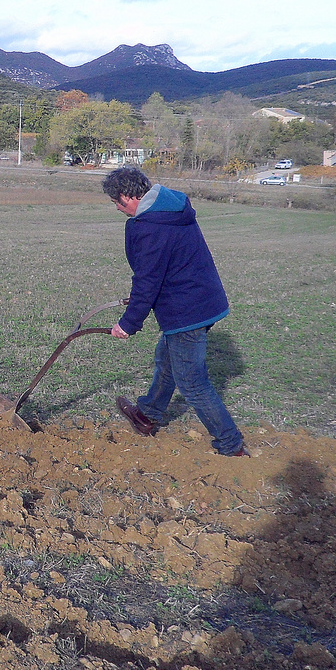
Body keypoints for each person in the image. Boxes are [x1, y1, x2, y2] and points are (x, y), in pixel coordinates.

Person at [102, 167, 247, 457]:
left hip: (187, 310)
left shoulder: (149, 225)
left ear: (128, 197)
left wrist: (128, 324)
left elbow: (148, 278)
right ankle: (147, 414)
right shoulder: (170, 210)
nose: (116, 208)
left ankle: (231, 445)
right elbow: (169, 266)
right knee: (167, 361)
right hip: (201, 301)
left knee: (192, 383)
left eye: (116, 202)